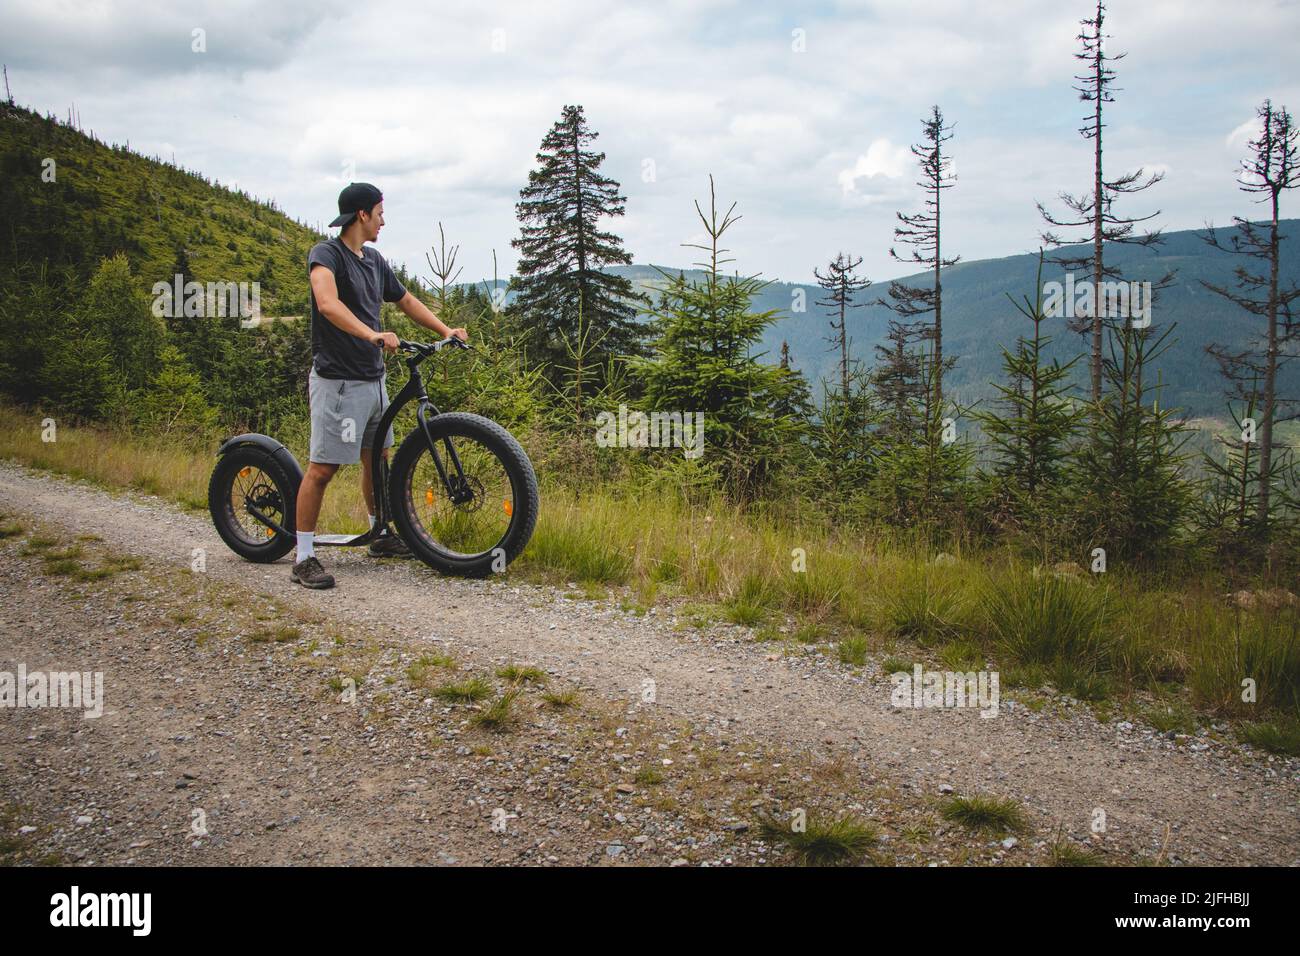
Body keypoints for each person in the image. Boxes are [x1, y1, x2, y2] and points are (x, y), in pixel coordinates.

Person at [291, 182, 467, 589]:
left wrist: (446, 330)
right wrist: (372, 334)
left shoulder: (373, 260)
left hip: (373, 380)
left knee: (377, 456)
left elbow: (405, 301)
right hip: (338, 381)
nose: (384, 219)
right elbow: (327, 303)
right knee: (324, 467)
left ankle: (379, 533)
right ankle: (303, 558)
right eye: (380, 212)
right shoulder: (326, 255)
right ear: (362, 215)